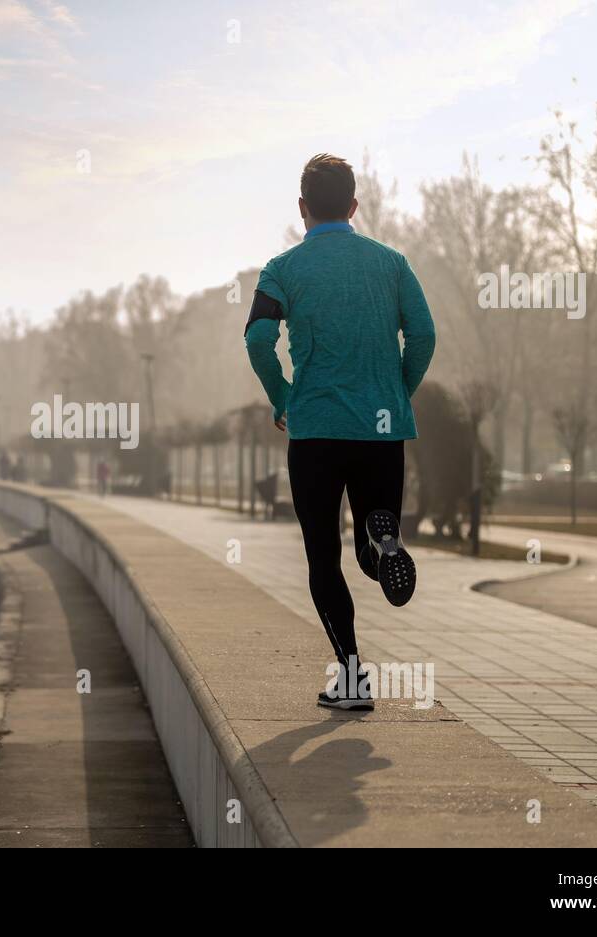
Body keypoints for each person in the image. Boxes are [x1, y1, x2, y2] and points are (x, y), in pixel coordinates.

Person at [244, 153, 435, 711]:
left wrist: (283, 399)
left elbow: (257, 341)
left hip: (316, 432)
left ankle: (352, 679)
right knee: (371, 552)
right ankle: (382, 538)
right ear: (353, 206)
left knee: (323, 557)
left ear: (302, 208)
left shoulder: (281, 270)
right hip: (381, 430)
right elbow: (423, 336)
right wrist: (395, 392)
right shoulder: (393, 264)